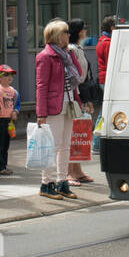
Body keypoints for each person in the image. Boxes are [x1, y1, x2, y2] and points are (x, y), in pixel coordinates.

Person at [35, 20, 83, 201]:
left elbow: (79, 75)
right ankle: (46, 183)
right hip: (53, 106)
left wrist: (70, 55)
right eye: (65, 32)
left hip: (68, 103)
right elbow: (41, 86)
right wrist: (41, 113)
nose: (69, 35)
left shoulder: (66, 56)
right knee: (52, 146)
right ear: (56, 35)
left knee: (65, 146)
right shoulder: (45, 57)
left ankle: (62, 181)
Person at [65, 19, 94, 186]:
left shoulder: (77, 49)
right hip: (74, 94)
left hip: (79, 93)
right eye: (84, 28)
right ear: (78, 32)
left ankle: (77, 170)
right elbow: (77, 76)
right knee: (72, 134)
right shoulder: (71, 50)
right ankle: (70, 171)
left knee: (77, 134)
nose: (86, 31)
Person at [0, 65, 18, 176]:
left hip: (8, 120)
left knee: (6, 144)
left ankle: (4, 165)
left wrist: (15, 112)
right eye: (6, 75)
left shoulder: (12, 91)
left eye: (11, 75)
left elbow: (16, 103)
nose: (9, 77)